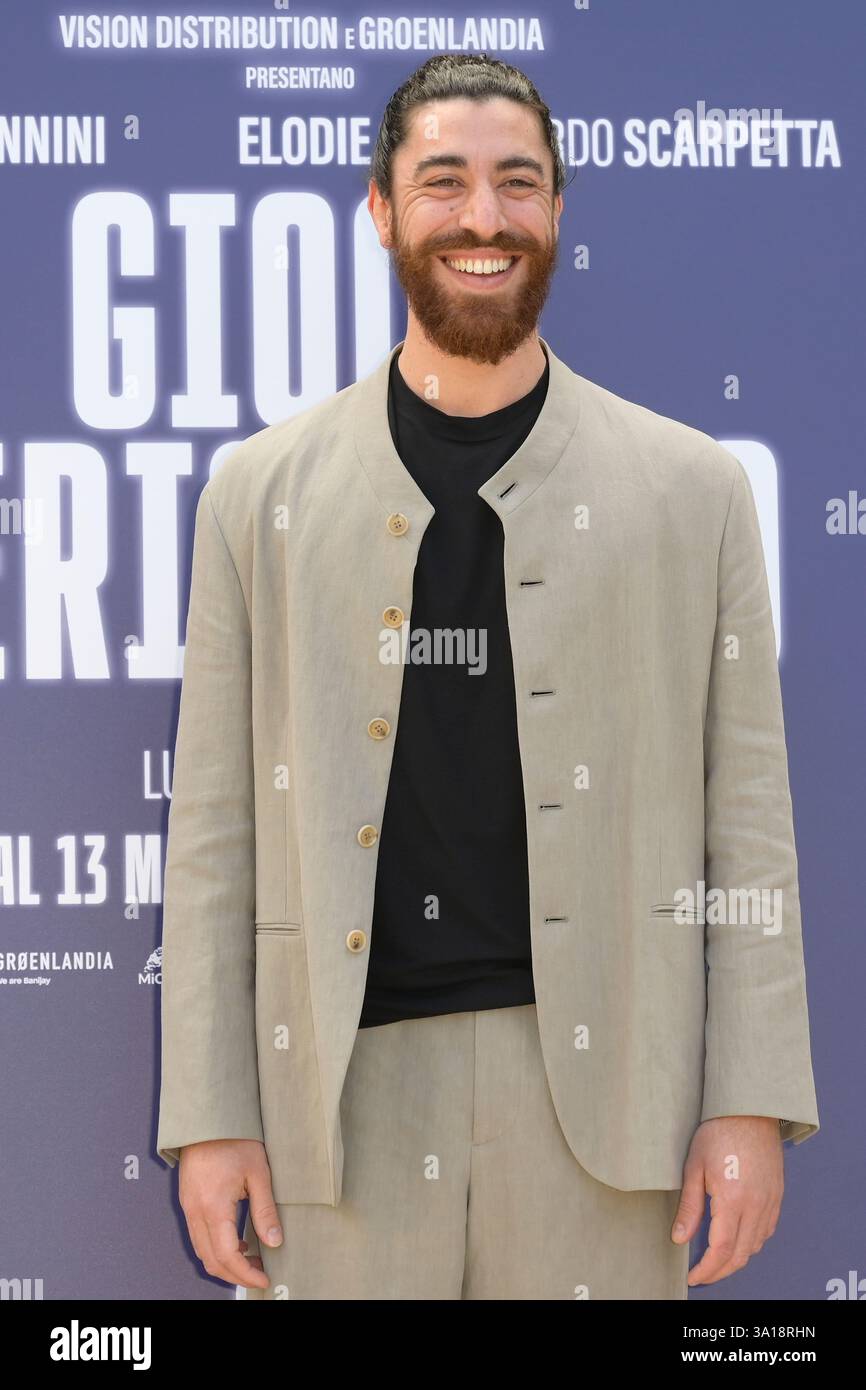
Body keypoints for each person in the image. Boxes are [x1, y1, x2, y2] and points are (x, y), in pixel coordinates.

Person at [156, 54, 819, 1300]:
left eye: (517, 184)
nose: (482, 218)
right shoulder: (259, 494)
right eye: (443, 181)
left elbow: (748, 828)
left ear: (557, 212)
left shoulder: (692, 489)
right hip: (331, 1124)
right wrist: (208, 1109)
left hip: (610, 1112)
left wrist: (748, 1100)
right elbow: (214, 833)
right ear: (381, 208)